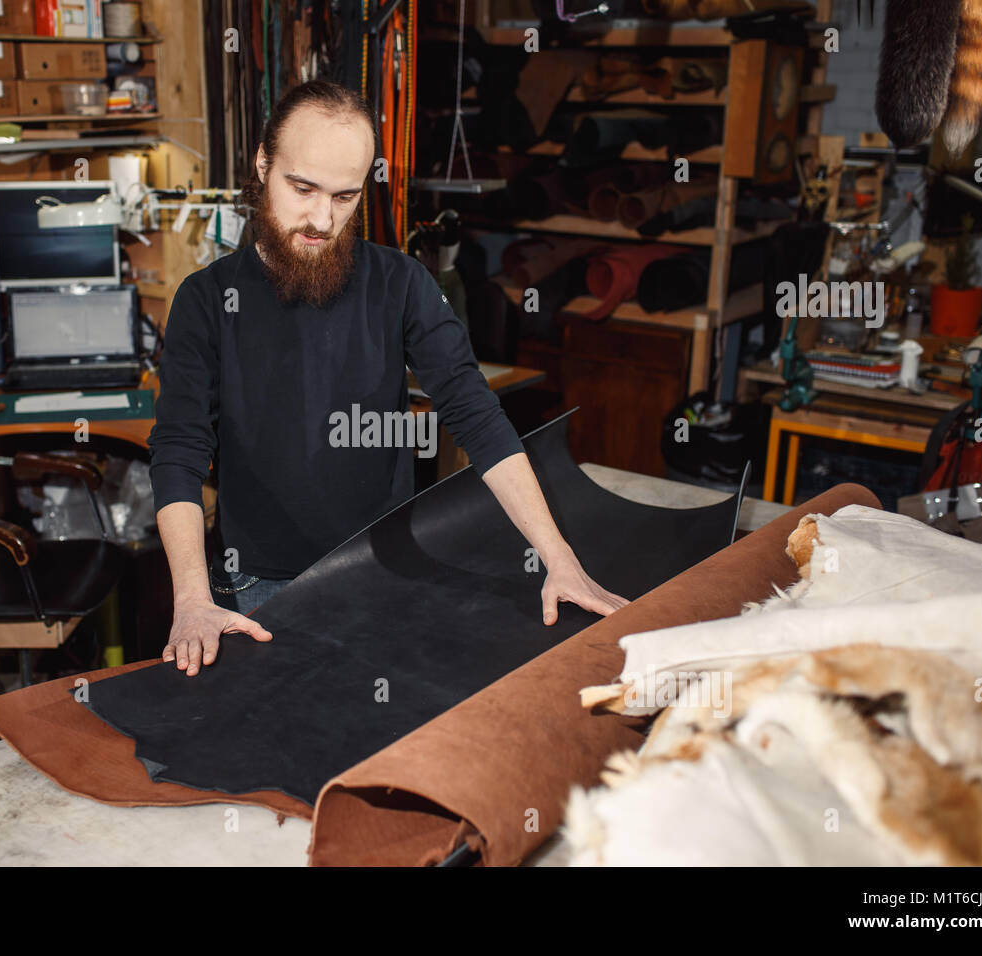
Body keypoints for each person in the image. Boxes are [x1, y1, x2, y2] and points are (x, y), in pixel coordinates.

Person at [149, 79, 629, 677]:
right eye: (302, 188)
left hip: (385, 570)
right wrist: (193, 599)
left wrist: (558, 558)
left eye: (345, 197)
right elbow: (179, 451)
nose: (321, 219)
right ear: (262, 164)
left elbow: (474, 414)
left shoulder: (400, 283)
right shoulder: (204, 300)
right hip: (259, 586)